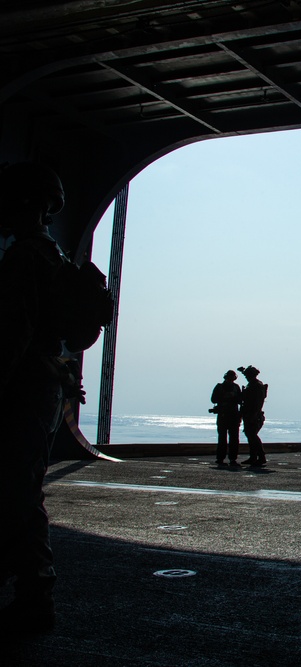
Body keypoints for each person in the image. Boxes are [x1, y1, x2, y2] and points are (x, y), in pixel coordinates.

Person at [0, 162, 90, 635]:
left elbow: (11, 336)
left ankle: (35, 594)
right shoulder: (55, 257)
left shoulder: (24, 258)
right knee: (21, 488)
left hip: (23, 390)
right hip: (46, 387)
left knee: (15, 492)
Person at [210, 370, 242, 466]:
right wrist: (225, 397)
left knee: (233, 438)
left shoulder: (236, 387)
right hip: (223, 415)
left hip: (233, 415)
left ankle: (232, 458)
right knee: (222, 438)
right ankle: (221, 458)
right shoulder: (220, 387)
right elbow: (213, 399)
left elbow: (240, 400)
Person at [238, 365, 267, 467]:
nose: (246, 377)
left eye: (247, 375)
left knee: (252, 435)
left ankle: (261, 457)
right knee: (250, 435)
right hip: (249, 413)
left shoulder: (256, 386)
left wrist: (253, 414)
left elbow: (257, 402)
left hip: (254, 414)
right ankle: (253, 457)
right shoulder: (253, 384)